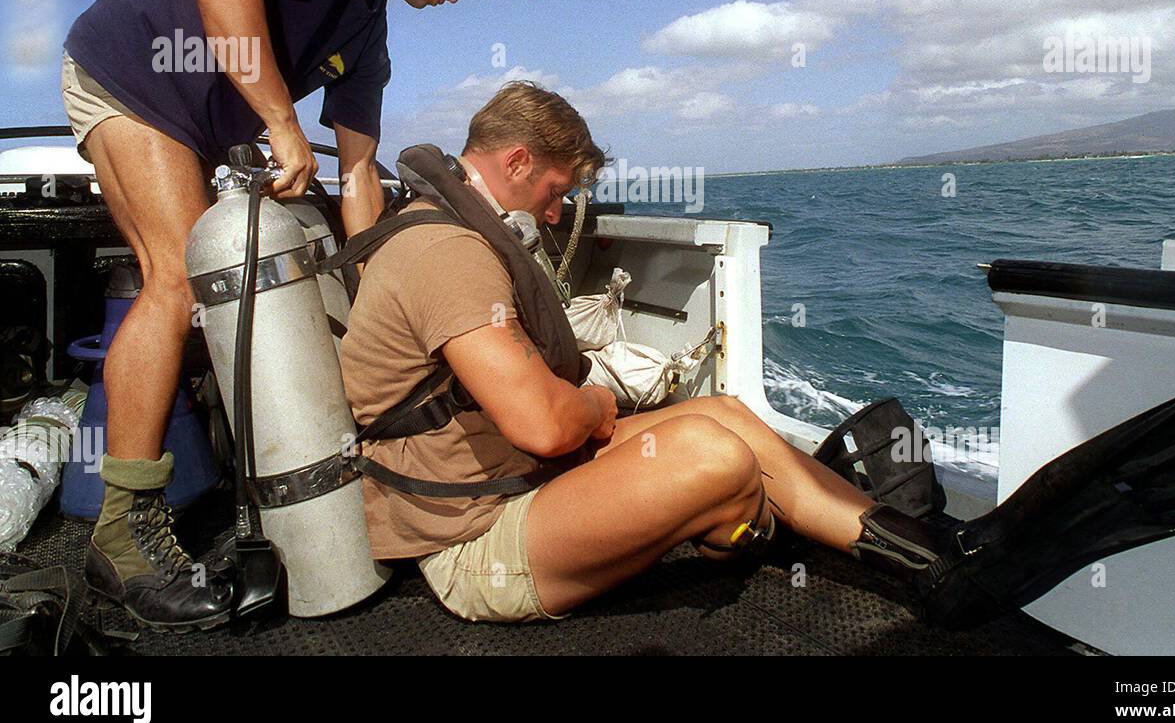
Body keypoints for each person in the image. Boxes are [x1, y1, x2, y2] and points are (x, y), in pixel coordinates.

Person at [63, 0, 505, 631]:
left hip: (188, 121)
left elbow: (360, 173)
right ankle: (121, 535)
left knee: (221, 284)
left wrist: (377, 299)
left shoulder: (369, 40)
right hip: (130, 69)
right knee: (177, 280)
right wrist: (282, 121)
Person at [342, 81, 938, 623]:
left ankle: (926, 557)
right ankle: (746, 520)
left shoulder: (452, 230)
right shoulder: (447, 252)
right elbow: (545, 426)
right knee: (717, 457)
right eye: (555, 192)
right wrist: (599, 405)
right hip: (472, 543)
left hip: (516, 477)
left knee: (726, 415)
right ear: (517, 161)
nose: (555, 214)